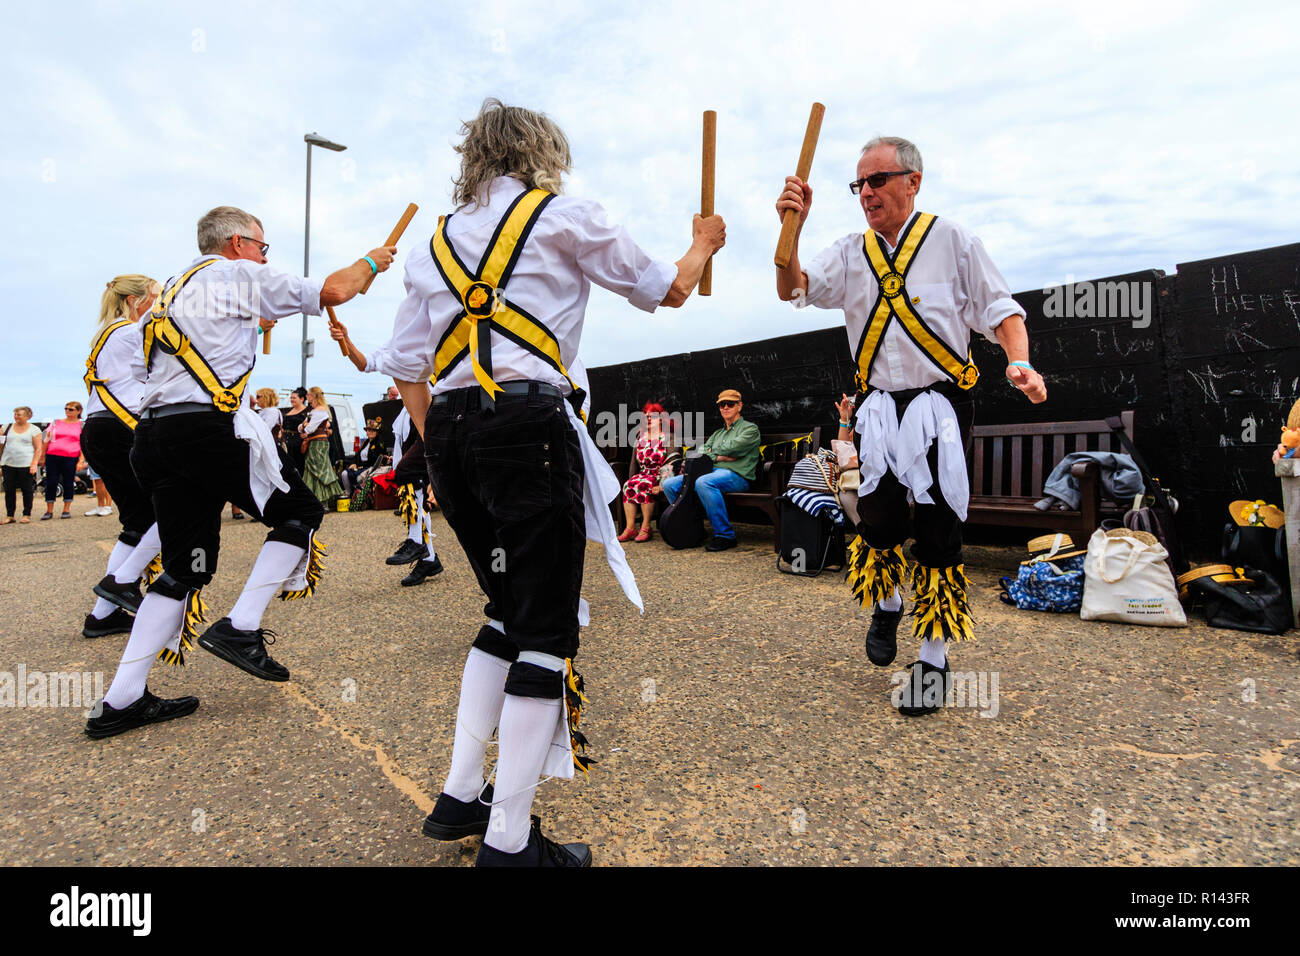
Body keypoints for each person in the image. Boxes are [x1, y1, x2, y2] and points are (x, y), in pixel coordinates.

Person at [374, 98, 724, 865]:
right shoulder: (565, 216)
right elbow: (668, 289)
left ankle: (461, 797)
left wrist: (442, 444)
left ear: (475, 158)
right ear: (541, 155)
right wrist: (700, 245)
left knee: (505, 612)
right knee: (545, 630)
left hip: (453, 430)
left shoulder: (433, 243)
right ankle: (508, 844)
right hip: (528, 427)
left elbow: (404, 364)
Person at [85, 204, 396, 739]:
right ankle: (241, 627)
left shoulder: (175, 289)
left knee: (183, 569)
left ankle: (120, 702)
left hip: (155, 436)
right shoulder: (236, 273)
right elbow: (335, 290)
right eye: (261, 245)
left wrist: (247, 323)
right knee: (299, 511)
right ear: (236, 243)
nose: (263, 253)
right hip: (205, 432)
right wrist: (374, 259)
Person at [775, 135, 1047, 715]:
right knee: (877, 520)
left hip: (942, 405)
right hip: (877, 406)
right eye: (859, 184)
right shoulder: (850, 252)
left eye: (877, 181)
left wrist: (1018, 361)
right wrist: (791, 228)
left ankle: (932, 657)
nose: (866, 193)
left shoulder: (952, 241)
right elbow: (791, 288)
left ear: (913, 182)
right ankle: (890, 602)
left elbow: (1002, 309)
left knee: (938, 528)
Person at [80, 274, 170, 640]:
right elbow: (180, 347)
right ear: (135, 300)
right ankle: (121, 583)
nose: (159, 304)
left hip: (103, 428)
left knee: (138, 520)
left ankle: (104, 614)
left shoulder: (110, 333)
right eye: (155, 297)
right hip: (118, 430)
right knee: (169, 512)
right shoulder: (127, 333)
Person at [328, 319, 443, 585]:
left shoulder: (445, 328)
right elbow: (363, 363)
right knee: (409, 483)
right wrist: (344, 339)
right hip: (418, 416)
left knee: (413, 478)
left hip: (444, 410)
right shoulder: (400, 344)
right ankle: (427, 556)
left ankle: (422, 547)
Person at [660, 388, 760, 551]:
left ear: (739, 406)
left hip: (738, 476)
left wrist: (714, 453)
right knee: (669, 484)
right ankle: (695, 529)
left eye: (730, 404)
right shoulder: (718, 433)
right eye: (722, 405)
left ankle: (725, 535)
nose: (725, 407)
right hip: (713, 472)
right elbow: (702, 452)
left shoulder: (750, 429)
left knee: (703, 482)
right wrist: (720, 456)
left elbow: (733, 447)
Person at [617, 402, 671, 543]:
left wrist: (663, 484)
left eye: (652, 416)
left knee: (644, 484)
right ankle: (630, 528)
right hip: (643, 474)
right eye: (646, 416)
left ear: (660, 419)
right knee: (629, 485)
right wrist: (630, 479)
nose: (648, 418)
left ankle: (646, 526)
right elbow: (633, 464)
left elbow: (672, 462)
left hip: (659, 476)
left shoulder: (668, 437)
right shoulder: (640, 437)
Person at [299, 387, 344, 505]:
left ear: (313, 396)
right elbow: (301, 427)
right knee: (312, 469)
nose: (307, 396)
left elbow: (309, 428)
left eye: (308, 394)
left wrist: (304, 426)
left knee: (320, 468)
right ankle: (315, 499)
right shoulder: (313, 412)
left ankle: (325, 500)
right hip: (313, 443)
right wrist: (304, 426)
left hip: (319, 443)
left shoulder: (320, 411)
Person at [39, 401, 84, 519]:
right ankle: (49, 510)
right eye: (66, 409)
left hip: (71, 456)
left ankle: (66, 509)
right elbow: (46, 439)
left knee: (68, 482)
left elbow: (83, 444)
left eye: (71, 409)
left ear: (78, 411)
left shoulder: (81, 425)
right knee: (51, 482)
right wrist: (42, 456)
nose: (67, 411)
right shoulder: (55, 423)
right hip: (52, 455)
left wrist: (81, 460)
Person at [1, 406, 43, 524]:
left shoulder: (34, 429)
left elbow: (38, 448)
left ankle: (26, 514)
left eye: (19, 414)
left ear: (27, 416)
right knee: (9, 490)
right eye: (15, 414)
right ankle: (10, 515)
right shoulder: (6, 427)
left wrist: (34, 463)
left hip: (26, 464)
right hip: (8, 463)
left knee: (27, 490)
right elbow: (1, 444)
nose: (16, 416)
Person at [282, 387, 309, 474]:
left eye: (294, 398)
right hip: (285, 441)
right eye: (291, 398)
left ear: (302, 399)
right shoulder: (289, 410)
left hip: (298, 443)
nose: (292, 400)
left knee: (297, 465)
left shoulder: (307, 411)